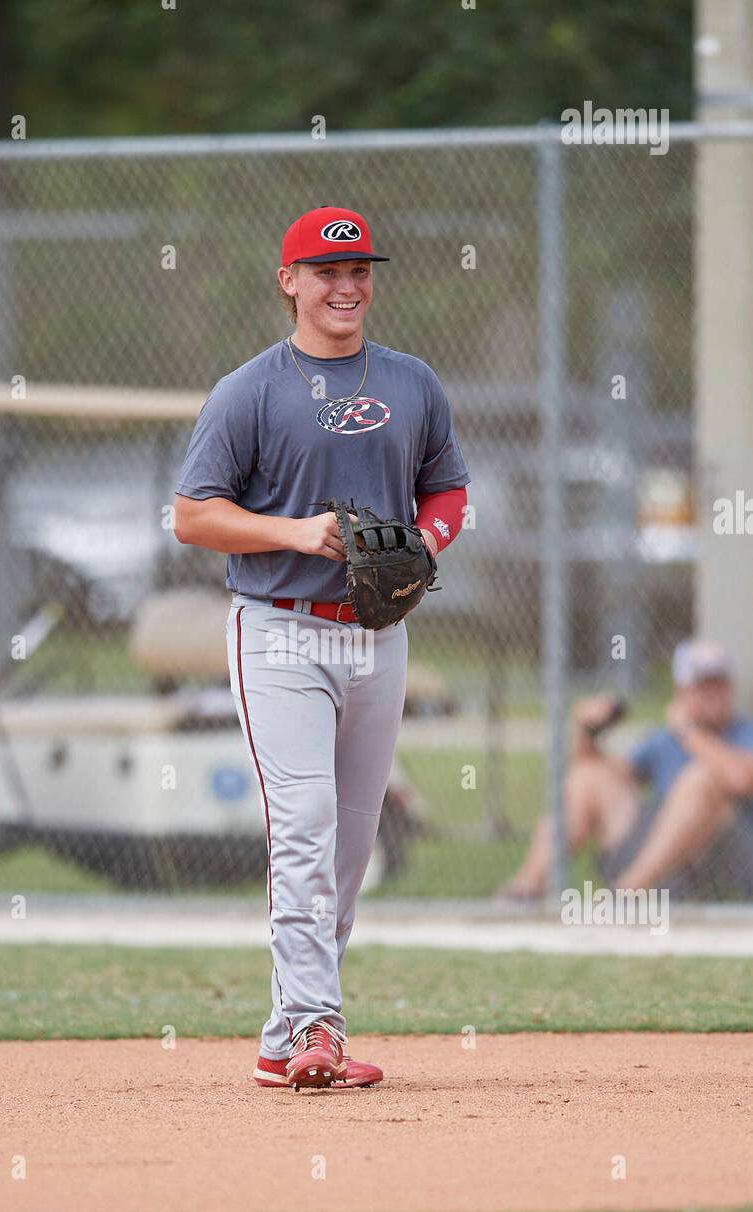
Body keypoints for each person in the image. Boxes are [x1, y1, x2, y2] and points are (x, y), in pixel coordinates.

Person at [174, 205, 469, 1087]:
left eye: (358, 271)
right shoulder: (250, 390)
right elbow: (193, 515)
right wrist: (296, 535)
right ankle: (317, 1026)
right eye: (326, 272)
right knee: (302, 828)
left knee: (350, 846)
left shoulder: (413, 382)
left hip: (378, 638)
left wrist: (427, 544)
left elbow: (448, 488)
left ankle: (282, 1037)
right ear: (289, 282)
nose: (346, 287)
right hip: (278, 632)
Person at [501, 639, 753, 902]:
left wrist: (690, 732)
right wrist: (585, 733)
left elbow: (741, 779)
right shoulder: (664, 740)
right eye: (703, 685)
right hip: (668, 862)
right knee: (588, 778)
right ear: (681, 691)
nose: (713, 693)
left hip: (726, 859)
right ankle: (523, 891)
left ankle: (629, 893)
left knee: (701, 779)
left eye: (719, 683)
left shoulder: (744, 733)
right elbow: (598, 773)